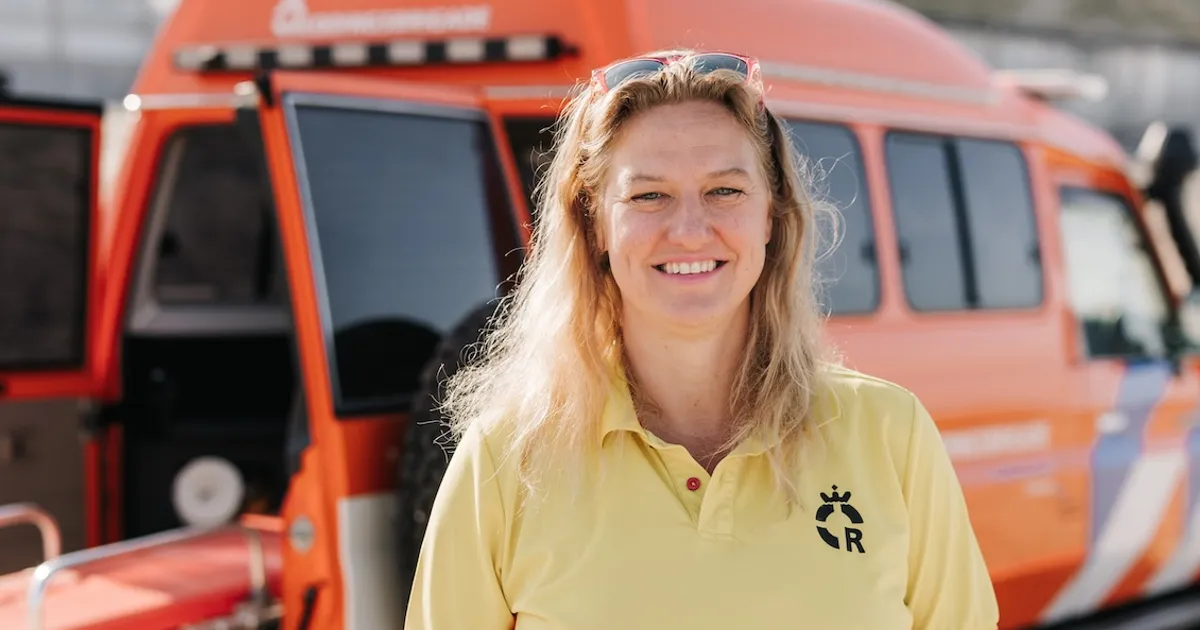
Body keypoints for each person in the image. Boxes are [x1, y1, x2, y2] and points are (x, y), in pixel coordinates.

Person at [403, 49, 999, 629]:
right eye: (648, 196)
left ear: (771, 215)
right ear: (595, 223)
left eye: (725, 191)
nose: (689, 230)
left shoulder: (891, 433)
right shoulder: (508, 457)